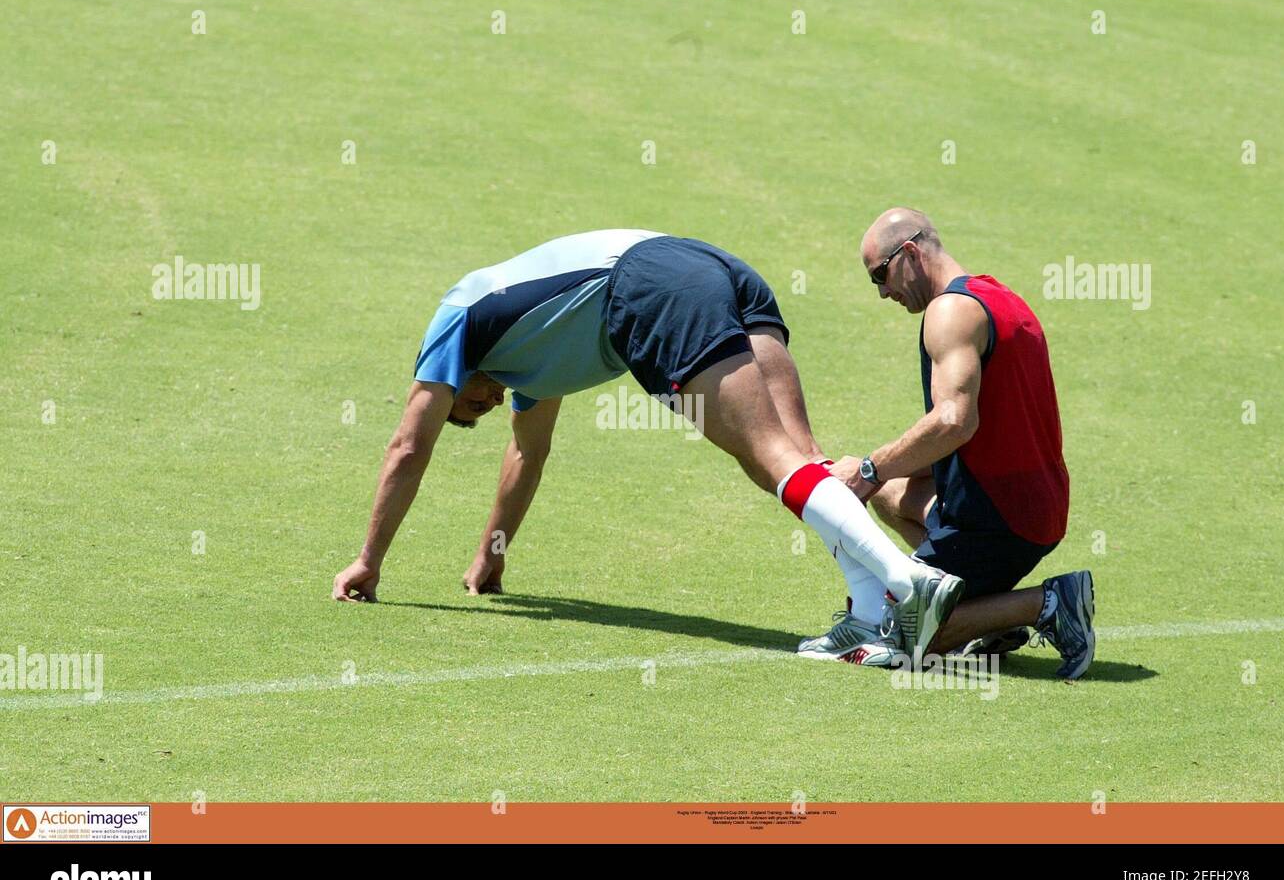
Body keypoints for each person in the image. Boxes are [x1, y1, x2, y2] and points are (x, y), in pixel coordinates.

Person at [331, 229, 964, 657]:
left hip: (650, 287)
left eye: (470, 402)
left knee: (771, 456)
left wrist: (369, 560)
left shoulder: (458, 321)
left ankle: (910, 582)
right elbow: (527, 452)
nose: (488, 403)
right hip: (713, 267)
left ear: (447, 379)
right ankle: (868, 607)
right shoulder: (531, 359)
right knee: (791, 460)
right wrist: (492, 553)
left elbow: (408, 448)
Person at [799, 208, 1095, 679]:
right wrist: (881, 478)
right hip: (1033, 503)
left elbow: (954, 423)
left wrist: (869, 469)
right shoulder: (998, 297)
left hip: (1000, 517)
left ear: (910, 254)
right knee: (892, 495)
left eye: (881, 274)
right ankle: (988, 616)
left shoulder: (949, 312)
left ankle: (1048, 603)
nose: (882, 292)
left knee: (906, 635)